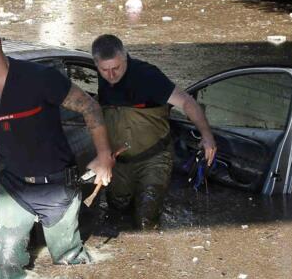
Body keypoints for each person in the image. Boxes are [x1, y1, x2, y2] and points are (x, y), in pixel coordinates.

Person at [0, 19, 115, 279]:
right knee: (6, 267)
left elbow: (90, 107)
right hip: (15, 188)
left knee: (69, 262)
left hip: (57, 185)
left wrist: (103, 156)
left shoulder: (39, 78)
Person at [91, 34, 217, 229]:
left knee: (146, 218)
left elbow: (187, 102)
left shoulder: (148, 76)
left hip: (154, 159)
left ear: (125, 58)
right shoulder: (103, 76)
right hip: (119, 161)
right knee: (116, 212)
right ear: (97, 64)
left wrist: (207, 136)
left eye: (116, 68)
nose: (111, 75)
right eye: (105, 70)